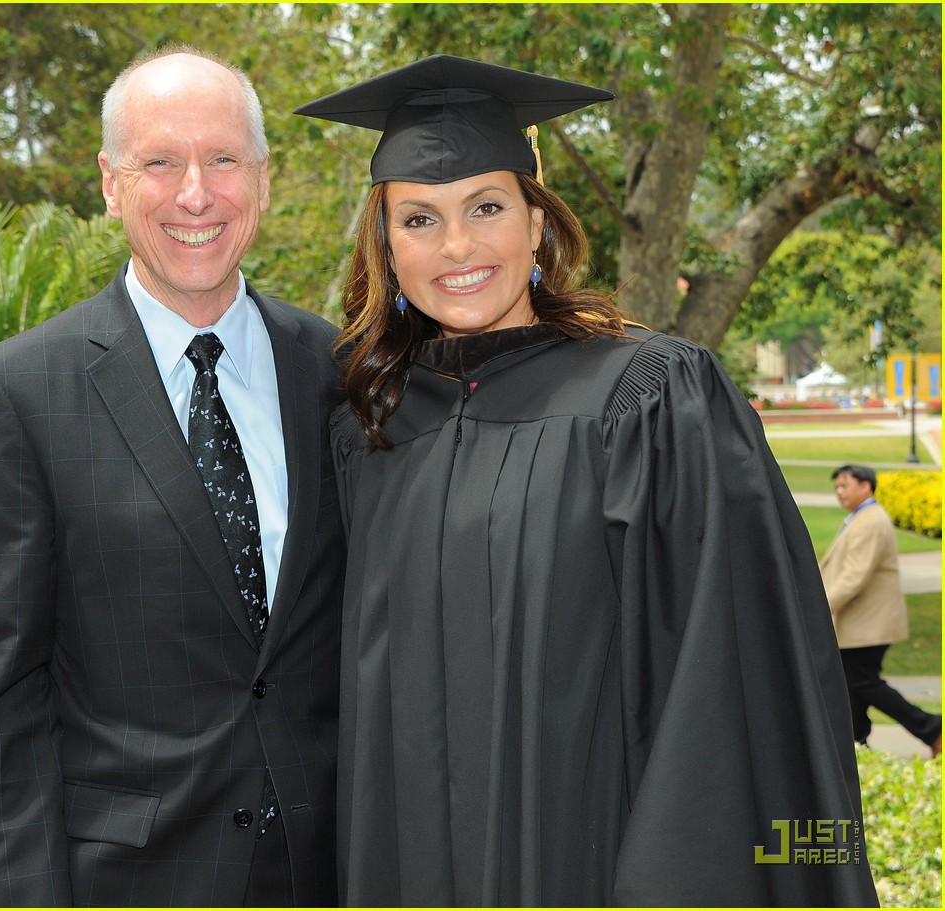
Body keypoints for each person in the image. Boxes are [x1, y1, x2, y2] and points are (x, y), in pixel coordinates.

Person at [297, 55, 878, 906]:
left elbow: (733, 672)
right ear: (387, 246)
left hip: (594, 869)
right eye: (419, 219)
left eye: (487, 207)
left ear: (536, 223)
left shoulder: (651, 398)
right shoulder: (367, 429)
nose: (456, 247)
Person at [0, 46, 344, 907]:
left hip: (332, 871)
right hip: (128, 882)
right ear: (111, 184)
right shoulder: (15, 395)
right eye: (160, 162)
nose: (196, 194)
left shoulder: (339, 371)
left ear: (263, 179)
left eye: (223, 158)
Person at [820, 464, 942, 756]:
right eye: (837, 487)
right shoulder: (862, 518)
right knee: (854, 686)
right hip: (861, 624)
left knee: (862, 683)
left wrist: (821, 607)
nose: (839, 492)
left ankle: (932, 728)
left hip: (867, 624)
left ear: (866, 487)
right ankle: (856, 744)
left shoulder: (870, 521)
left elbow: (855, 575)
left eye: (845, 485)